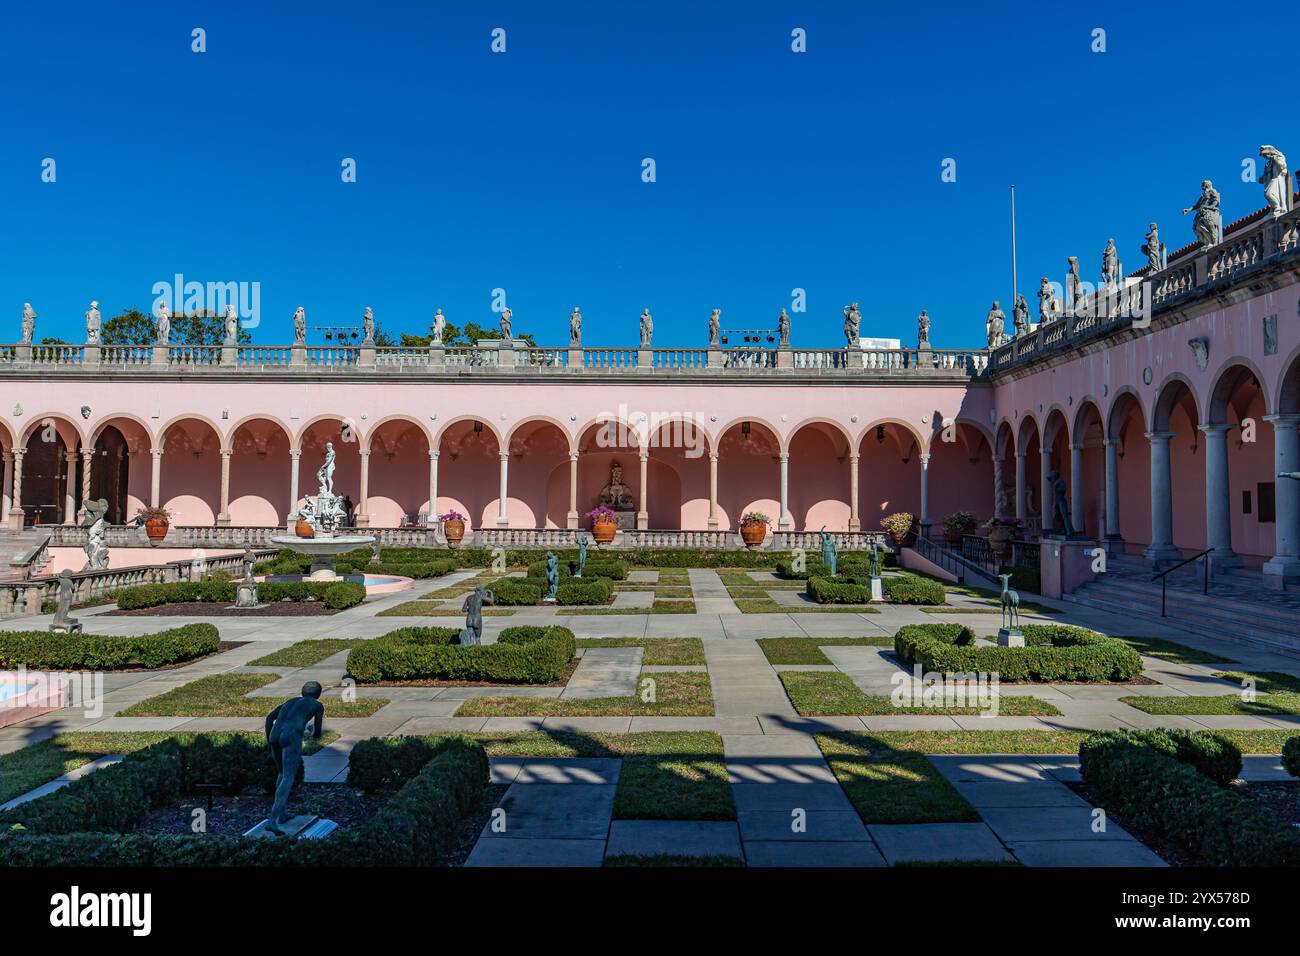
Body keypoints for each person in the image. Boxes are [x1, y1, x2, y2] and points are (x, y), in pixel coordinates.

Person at [264, 682, 325, 834]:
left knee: (281, 773)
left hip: (274, 735)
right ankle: (273, 819)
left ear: (302, 692)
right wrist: (313, 734)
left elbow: (269, 718)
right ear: (318, 694)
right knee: (288, 777)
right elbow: (317, 733)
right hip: (290, 737)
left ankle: (282, 814)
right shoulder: (317, 705)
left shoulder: (290, 702)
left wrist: (269, 742)